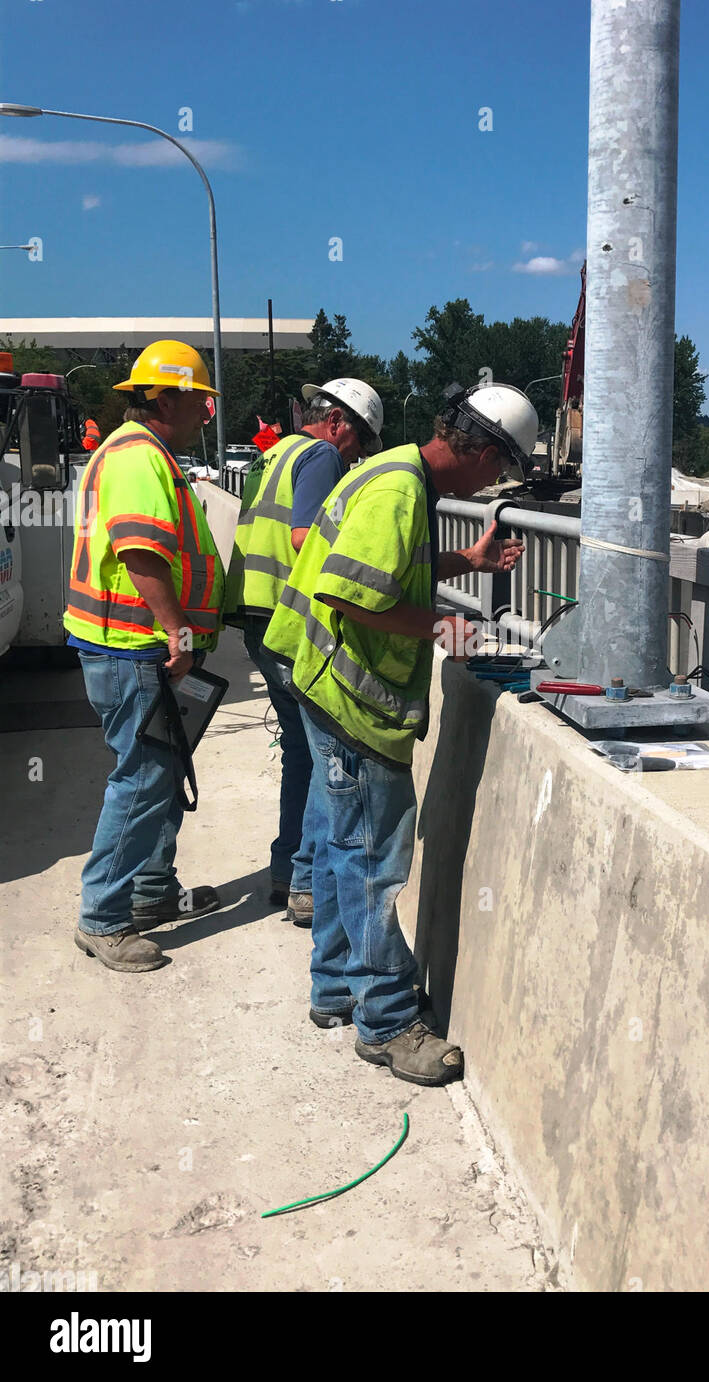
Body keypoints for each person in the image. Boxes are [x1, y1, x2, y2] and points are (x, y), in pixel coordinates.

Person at [263, 383, 537, 1084]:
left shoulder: (394, 477)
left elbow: (388, 570)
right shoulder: (399, 491)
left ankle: (334, 986)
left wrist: (465, 565)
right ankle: (386, 1023)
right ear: (476, 449)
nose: (493, 484)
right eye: (497, 468)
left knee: (335, 848)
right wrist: (455, 629)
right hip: (354, 701)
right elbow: (352, 595)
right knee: (373, 865)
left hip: (324, 687)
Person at [64, 341, 226, 973]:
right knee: (141, 779)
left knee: (154, 775)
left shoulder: (141, 453)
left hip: (132, 648)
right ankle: (103, 918)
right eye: (199, 401)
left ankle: (150, 896)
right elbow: (140, 554)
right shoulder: (137, 458)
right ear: (163, 398)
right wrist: (178, 632)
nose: (206, 415)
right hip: (131, 648)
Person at [224, 378, 384, 926]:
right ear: (338, 422)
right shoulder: (319, 455)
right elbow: (302, 539)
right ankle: (306, 882)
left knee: (300, 748)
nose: (358, 456)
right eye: (360, 441)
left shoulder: (275, 453)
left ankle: (286, 870)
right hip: (288, 616)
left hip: (256, 612)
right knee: (322, 752)